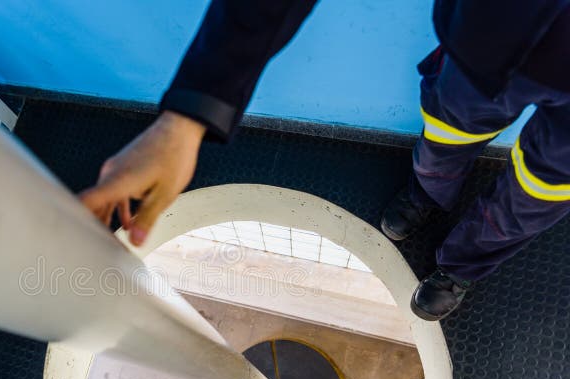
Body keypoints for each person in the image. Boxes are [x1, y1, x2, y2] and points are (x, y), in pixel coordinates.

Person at [80, 0, 570, 321]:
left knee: (537, 193)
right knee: (445, 135)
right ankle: (428, 195)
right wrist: (187, 116)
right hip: (484, 45)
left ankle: (461, 264)